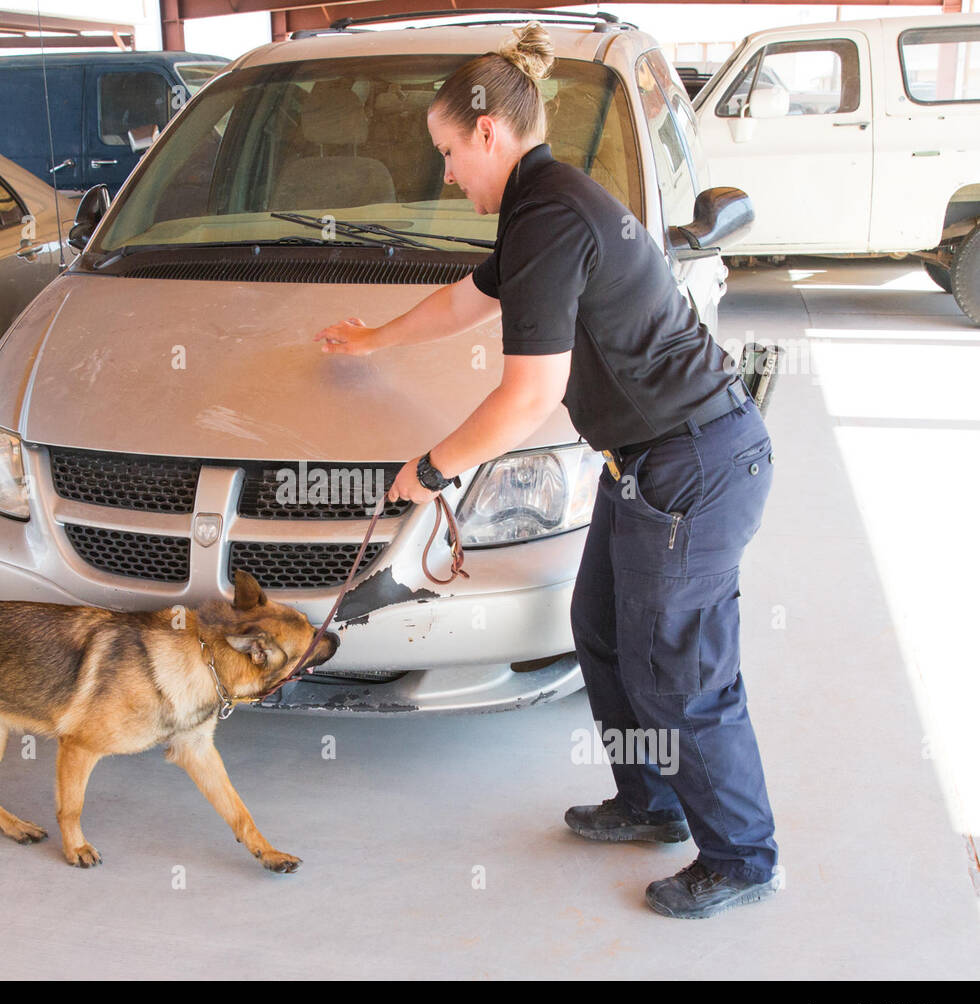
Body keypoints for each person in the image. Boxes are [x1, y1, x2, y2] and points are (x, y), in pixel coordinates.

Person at [314, 22, 782, 919]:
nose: (448, 174)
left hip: (693, 464)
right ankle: (651, 801)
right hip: (647, 462)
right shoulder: (540, 208)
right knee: (602, 630)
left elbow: (529, 397)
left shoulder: (551, 210)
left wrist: (432, 470)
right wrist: (375, 338)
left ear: (488, 133)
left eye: (449, 152)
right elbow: (470, 295)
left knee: (681, 671)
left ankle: (744, 855)